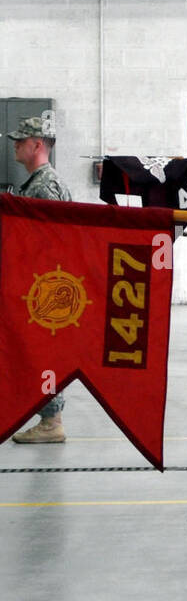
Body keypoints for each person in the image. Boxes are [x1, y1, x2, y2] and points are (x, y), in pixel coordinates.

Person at [9, 115, 74, 445]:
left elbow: (46, 243)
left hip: (42, 287)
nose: (16, 145)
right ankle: (49, 417)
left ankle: (51, 419)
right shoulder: (39, 183)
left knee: (40, 354)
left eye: (22, 140)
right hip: (42, 285)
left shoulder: (44, 186)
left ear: (38, 144)